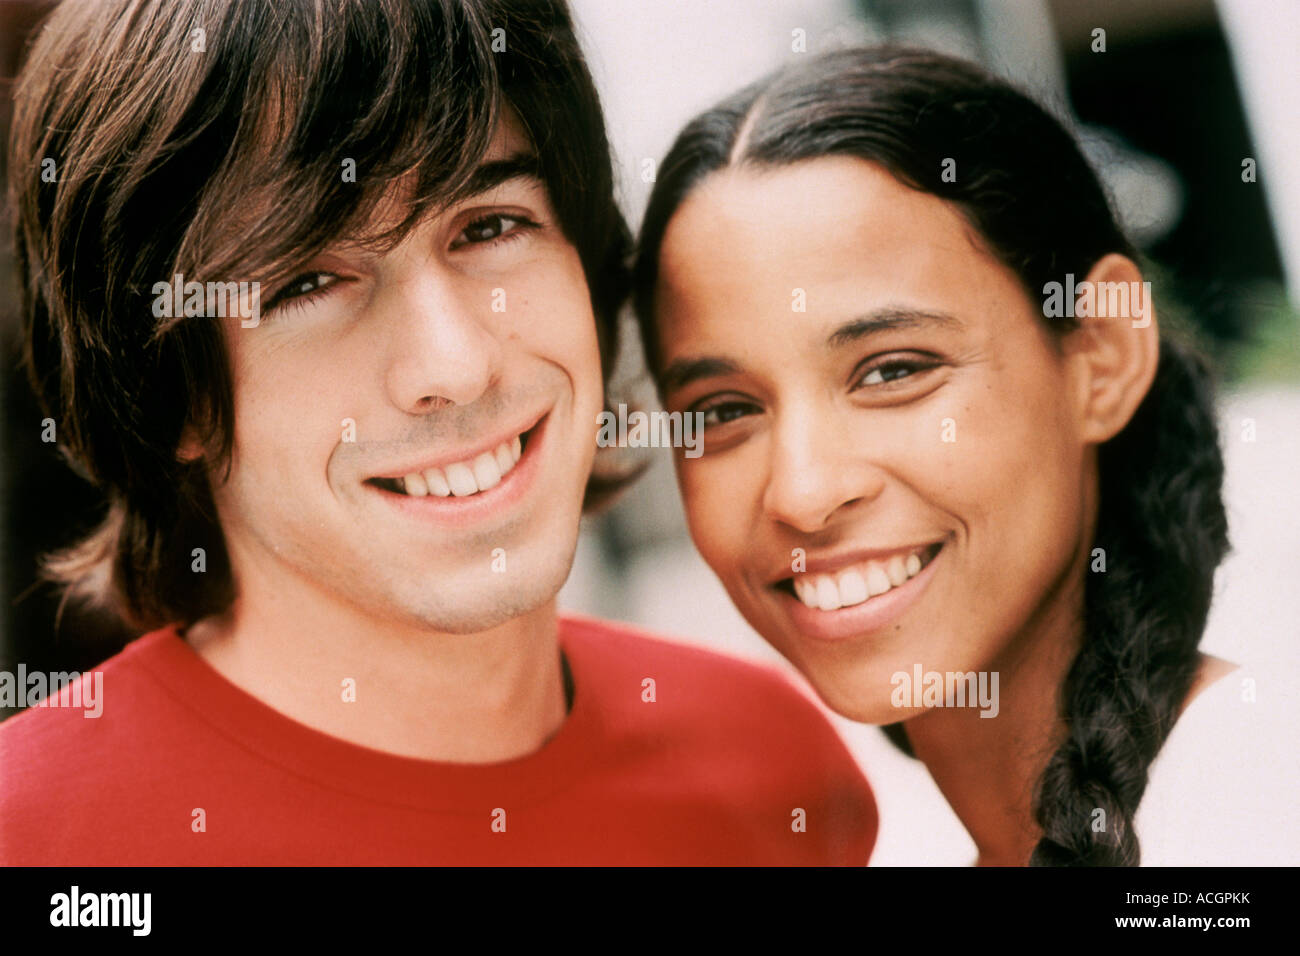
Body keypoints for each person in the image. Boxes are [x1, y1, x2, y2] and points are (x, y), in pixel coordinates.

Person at [0, 0, 878, 866]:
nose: (453, 365)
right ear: (171, 396)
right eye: (307, 280)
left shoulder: (777, 776)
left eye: (491, 227)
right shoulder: (35, 838)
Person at [633, 45, 1300, 866]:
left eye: (893, 371)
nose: (803, 493)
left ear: (1102, 354)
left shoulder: (1256, 804)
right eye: (725, 411)